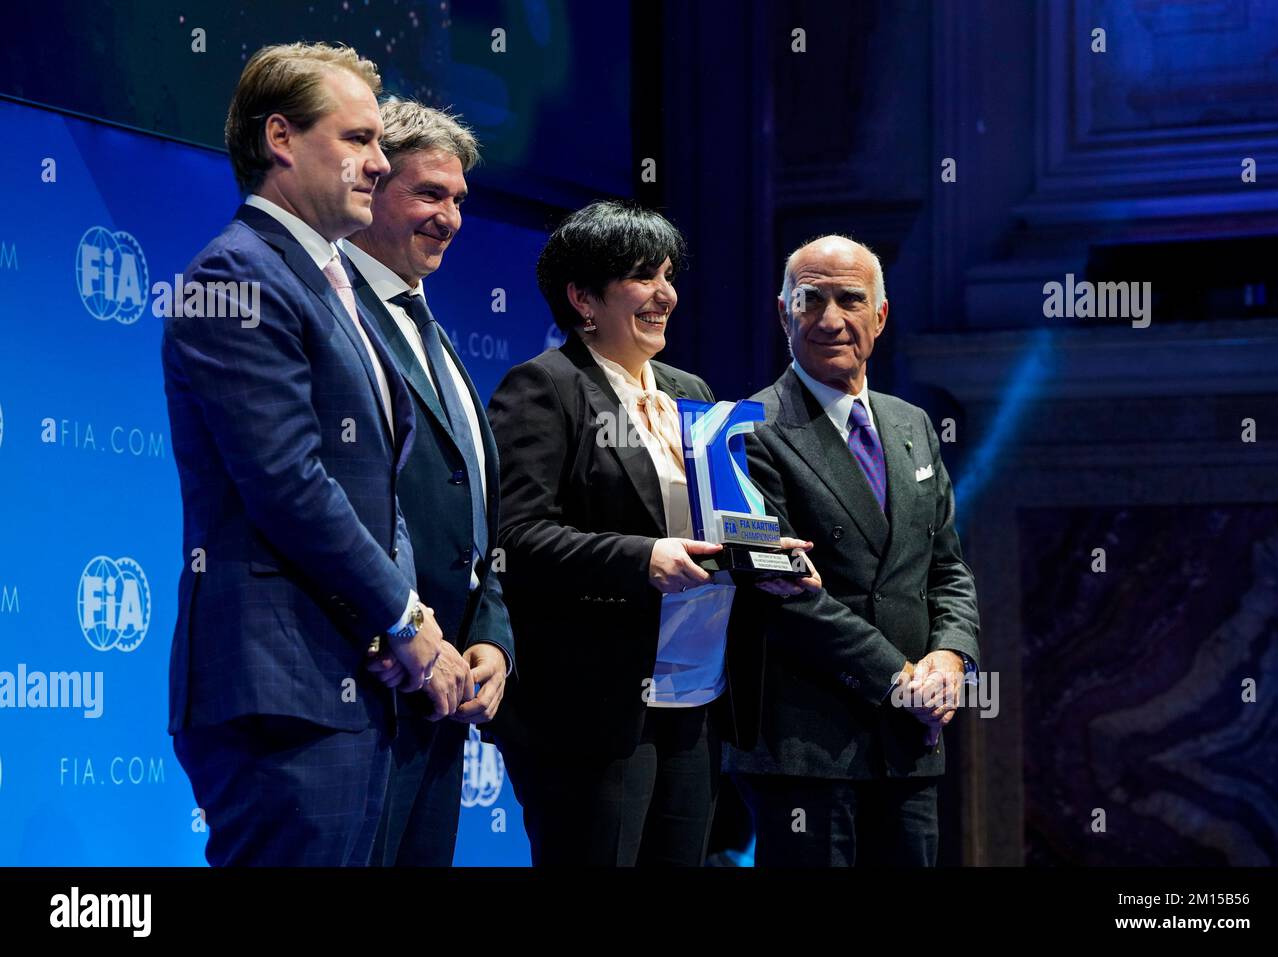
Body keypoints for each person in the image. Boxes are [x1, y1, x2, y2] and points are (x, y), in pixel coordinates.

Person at [163, 43, 453, 866]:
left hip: (342, 679)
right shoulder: (238, 273)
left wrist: (401, 625)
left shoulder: (321, 279)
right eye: (358, 139)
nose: (379, 162)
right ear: (281, 138)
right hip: (279, 689)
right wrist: (403, 617)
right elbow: (289, 482)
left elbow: (369, 488)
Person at [485, 200, 817, 866]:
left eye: (668, 274)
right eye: (643, 275)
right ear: (583, 297)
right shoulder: (544, 388)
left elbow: (720, 521)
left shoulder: (687, 389)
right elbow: (515, 540)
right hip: (593, 704)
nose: (666, 293)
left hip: (696, 693)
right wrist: (645, 557)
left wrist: (766, 559)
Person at [725, 235, 981, 867]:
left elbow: (947, 567)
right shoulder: (743, 427)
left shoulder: (912, 424)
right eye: (810, 300)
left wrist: (950, 659)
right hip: (806, 746)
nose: (830, 319)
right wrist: (900, 680)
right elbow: (778, 595)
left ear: (881, 316)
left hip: (909, 742)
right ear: (782, 311)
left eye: (850, 299)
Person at [340, 97, 514, 866]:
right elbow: (318, 497)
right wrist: (393, 629)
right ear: (373, 183)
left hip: (445, 702)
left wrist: (492, 642)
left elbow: (479, 525)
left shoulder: (432, 331)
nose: (450, 218)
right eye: (429, 194)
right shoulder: (330, 311)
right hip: (364, 681)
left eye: (459, 200)